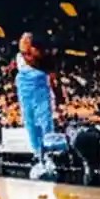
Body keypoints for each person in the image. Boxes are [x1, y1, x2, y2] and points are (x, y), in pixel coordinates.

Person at [7, 31, 62, 178]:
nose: (22, 42)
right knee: (30, 124)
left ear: (33, 45)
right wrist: (9, 70)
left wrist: (59, 98)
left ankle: (48, 157)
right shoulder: (19, 57)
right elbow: (14, 68)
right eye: (21, 39)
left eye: (25, 40)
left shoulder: (44, 59)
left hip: (40, 92)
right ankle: (38, 156)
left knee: (45, 122)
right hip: (25, 93)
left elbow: (53, 79)